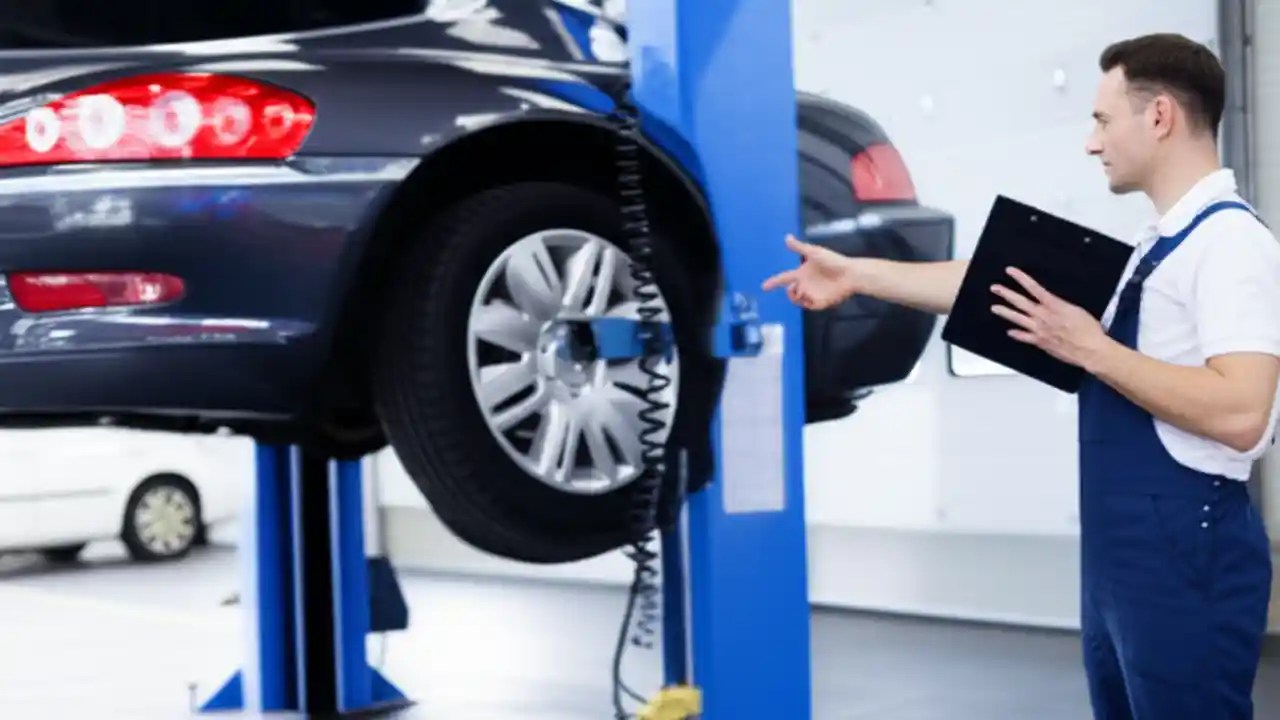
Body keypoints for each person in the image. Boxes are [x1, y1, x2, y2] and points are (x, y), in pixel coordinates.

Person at [764, 33, 1277, 719]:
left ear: (1158, 118)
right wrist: (856, 275)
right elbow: (987, 284)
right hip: (1123, 562)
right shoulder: (1157, 249)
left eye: (1102, 120)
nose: (1093, 143)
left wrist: (1092, 350)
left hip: (1187, 555)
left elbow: (1243, 412)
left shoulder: (1231, 245)